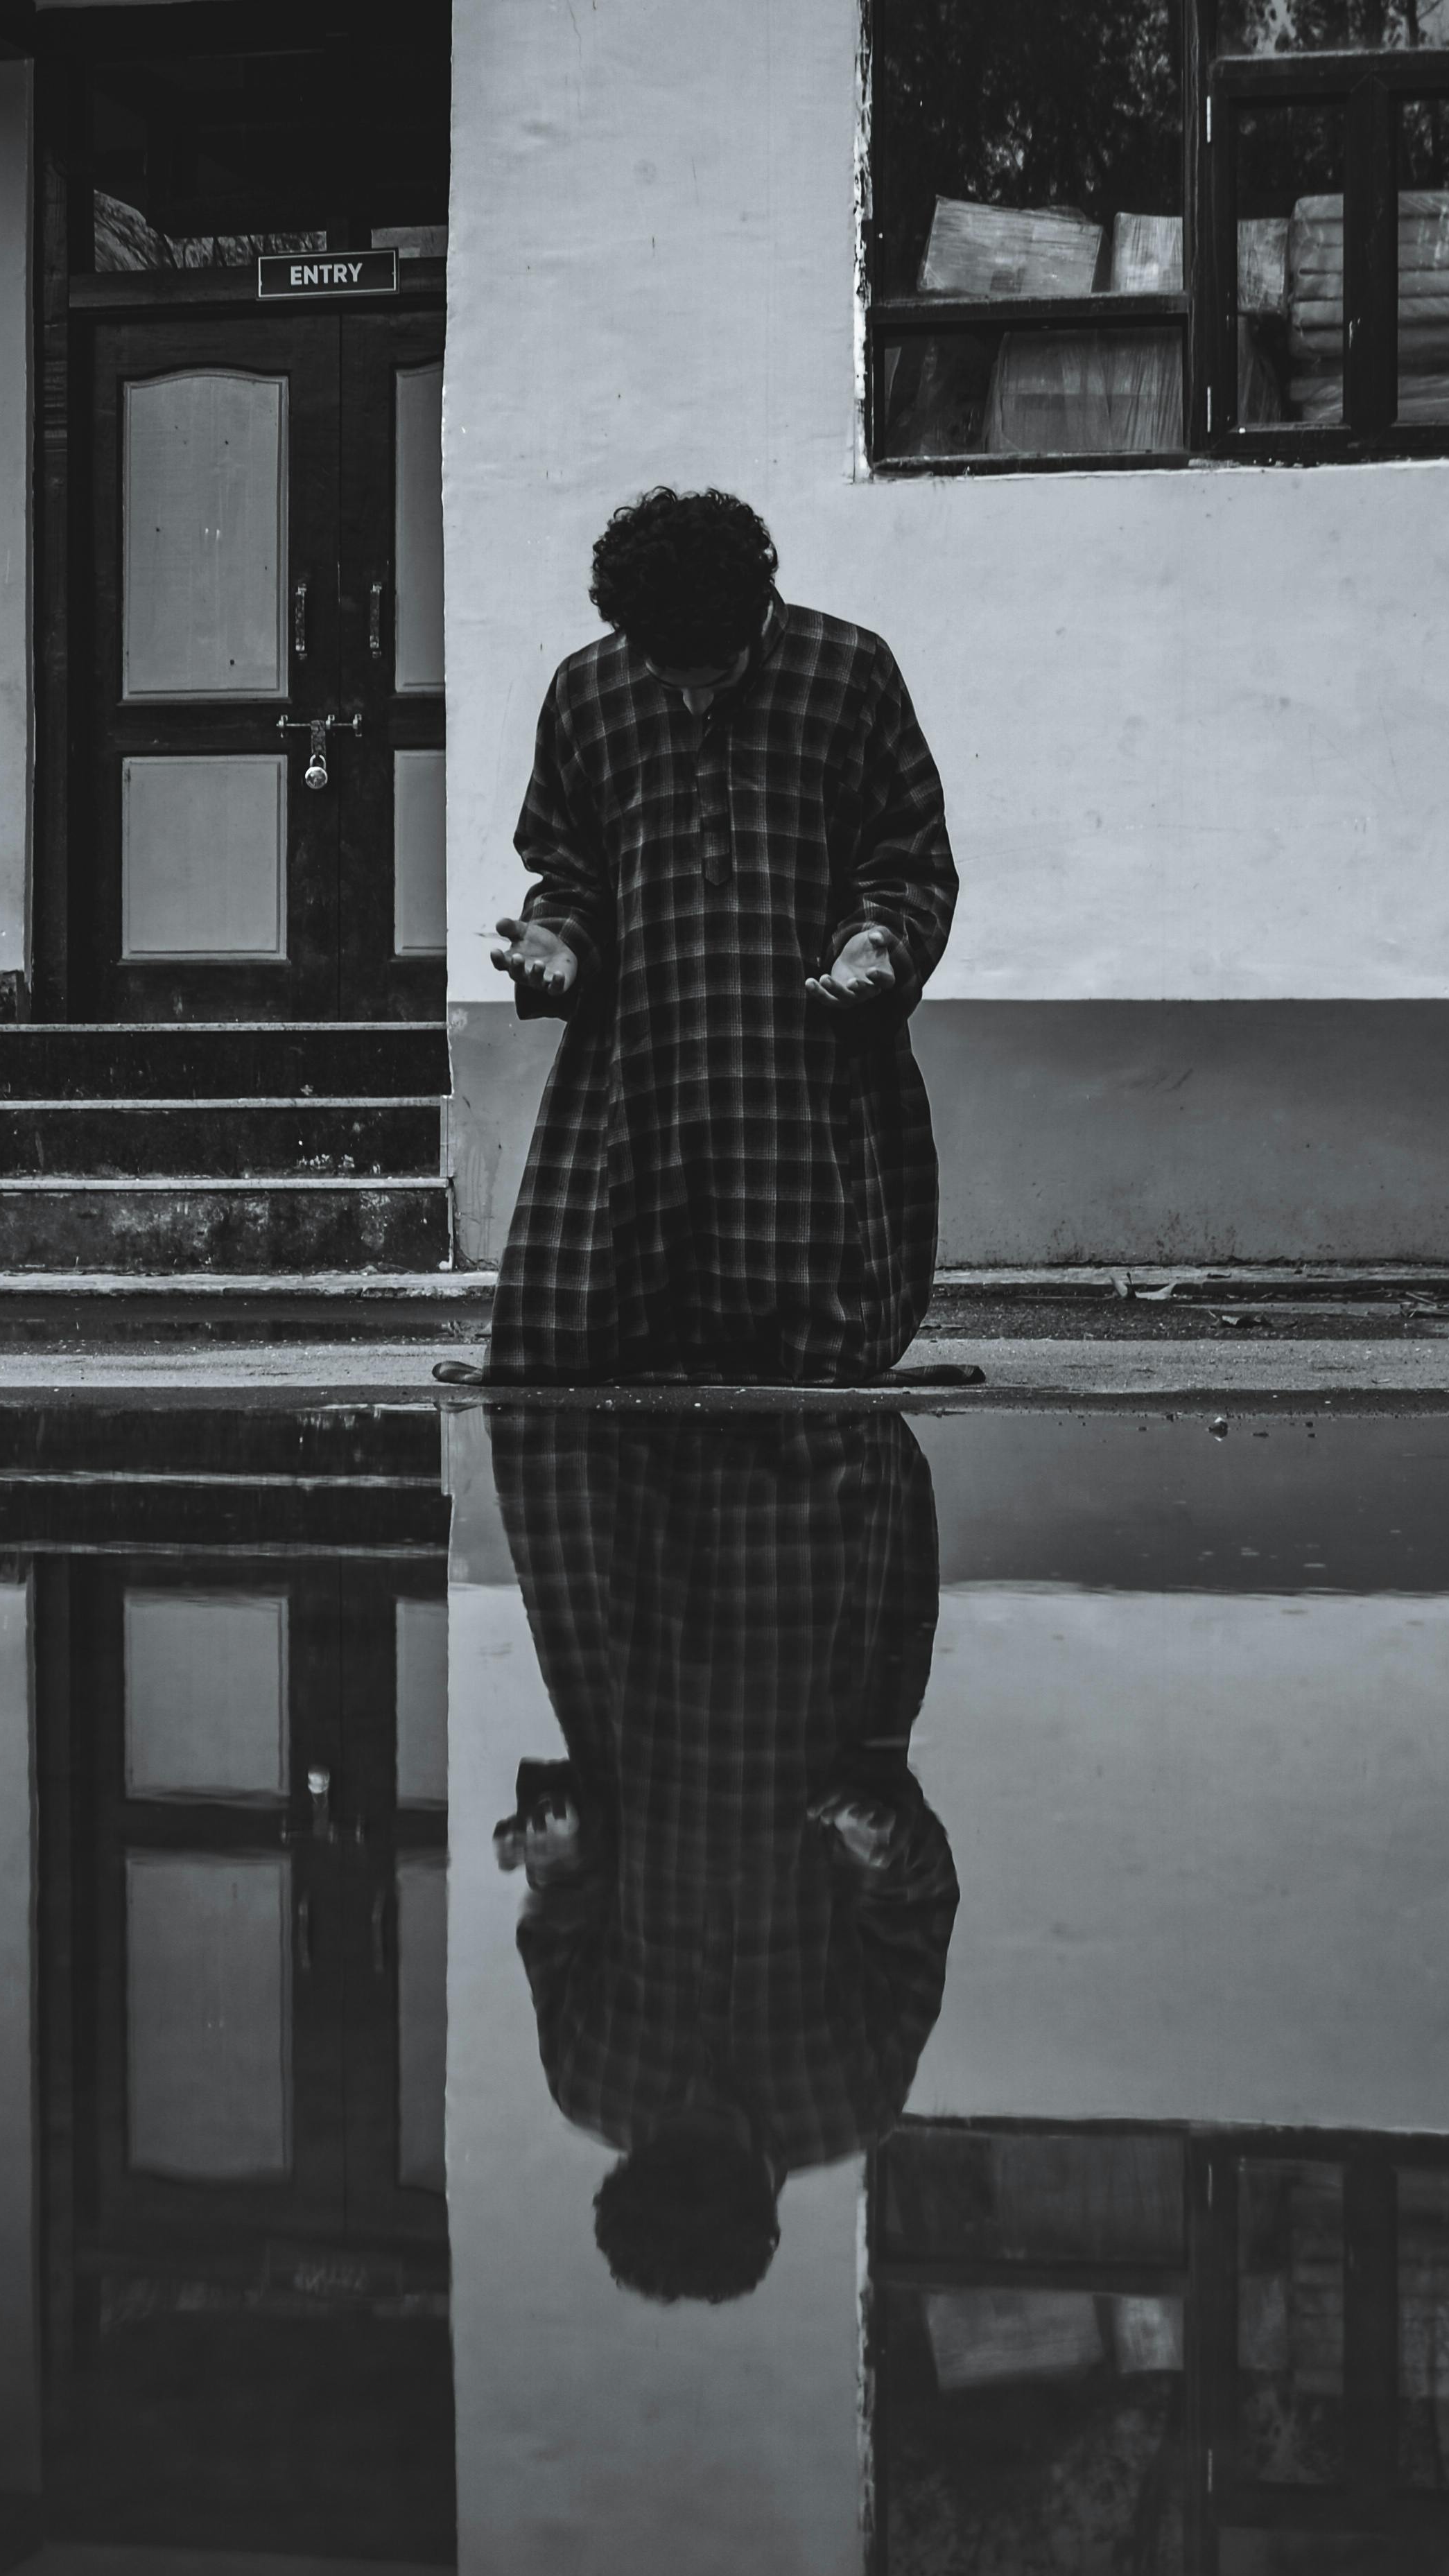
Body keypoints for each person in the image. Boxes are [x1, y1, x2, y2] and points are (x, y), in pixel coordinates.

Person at [447, 487, 969, 1388]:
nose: (691, 703)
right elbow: (569, 869)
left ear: (757, 614)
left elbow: (908, 856)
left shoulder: (850, 673)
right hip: (641, 1052)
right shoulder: (586, 690)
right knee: (581, 1344)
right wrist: (562, 945)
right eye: (667, 679)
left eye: (716, 679)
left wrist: (878, 939)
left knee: (818, 1349)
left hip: (802, 1051)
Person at [489, 1407, 960, 2304]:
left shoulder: (590, 2083)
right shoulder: (852, 2101)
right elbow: (915, 1920)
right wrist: (883, 1845)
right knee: (816, 1424)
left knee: (618, 1426)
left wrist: (559, 1848)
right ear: (766, 2181)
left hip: (641, 1697)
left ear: (631, 2154)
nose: (694, 2090)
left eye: (669, 2122)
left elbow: (561, 1923)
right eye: (715, 2125)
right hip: (814, 1691)